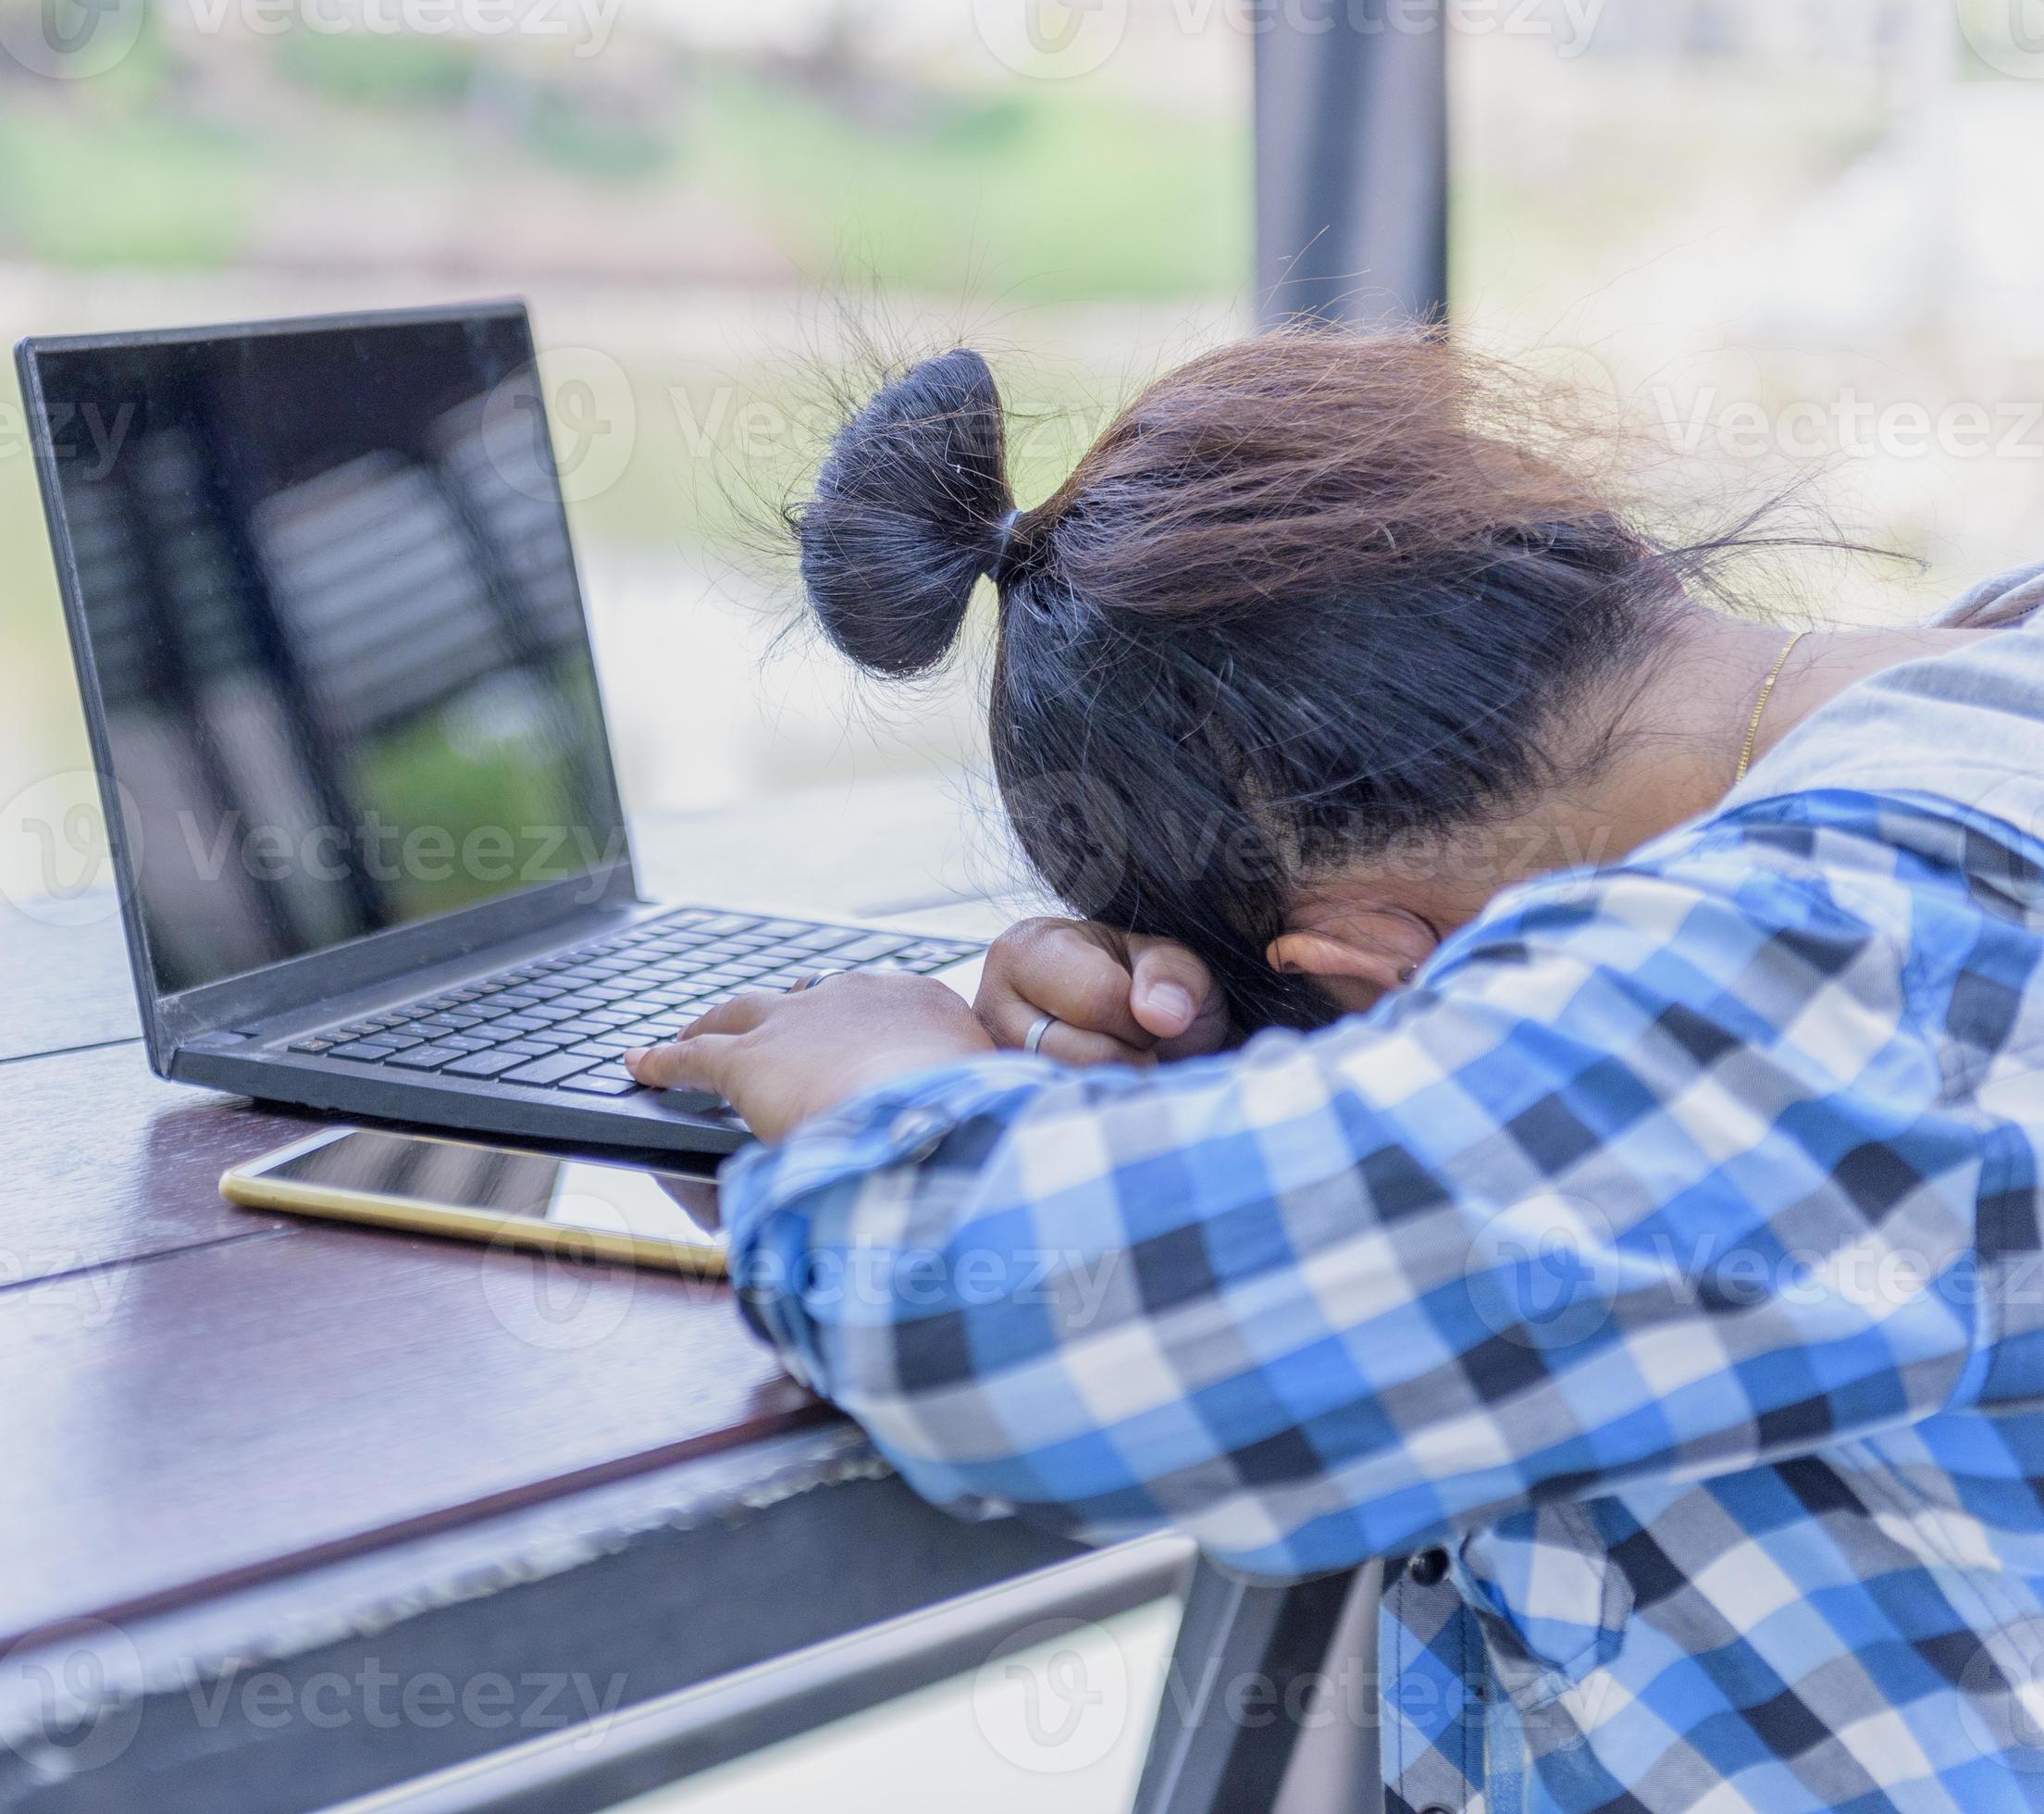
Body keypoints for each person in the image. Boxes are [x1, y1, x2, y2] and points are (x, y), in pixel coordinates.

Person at [624, 330, 2044, 1812]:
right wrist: (1228, 1102)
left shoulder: (1828, 948)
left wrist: (870, 1090)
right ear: (1597, 549)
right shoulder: (1963, 730)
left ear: (1369, 962)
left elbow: (1017, 1326)